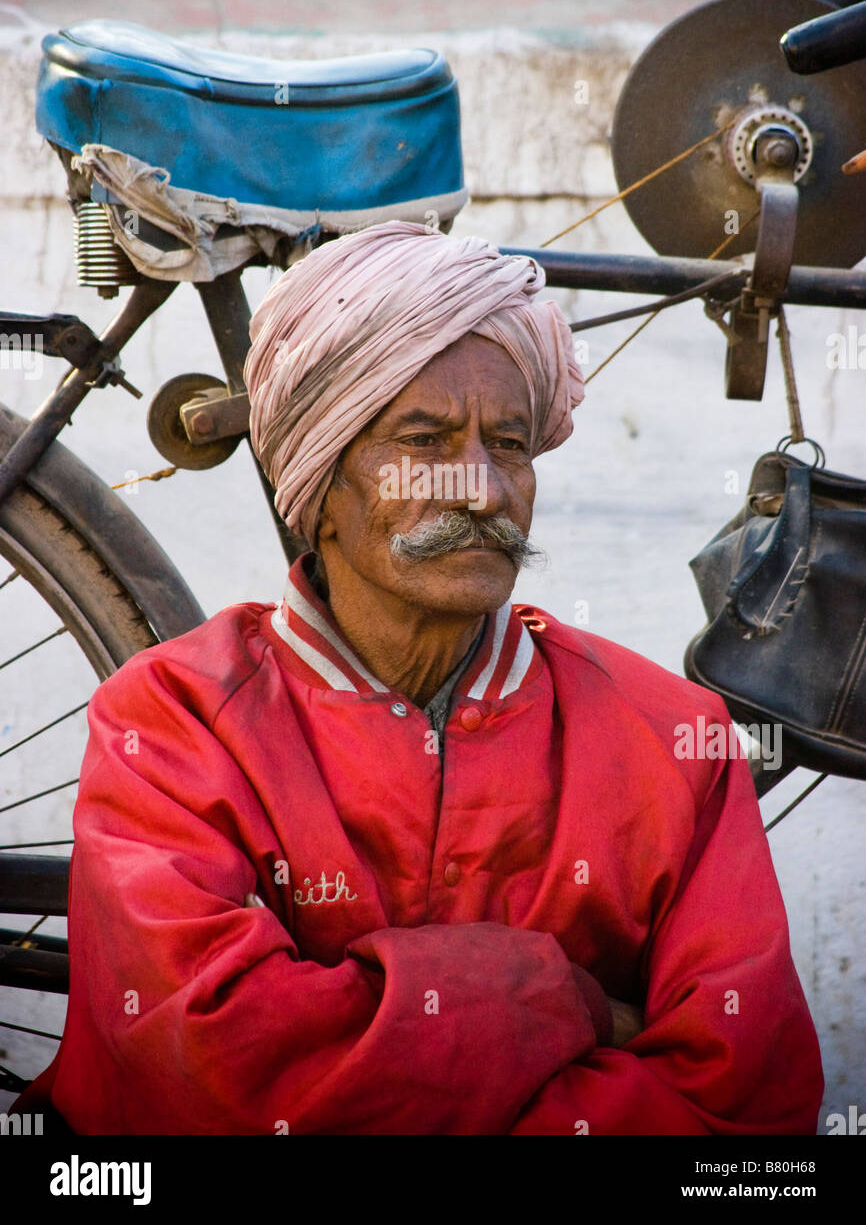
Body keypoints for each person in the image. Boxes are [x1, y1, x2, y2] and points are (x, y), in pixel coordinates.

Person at [16, 220, 822, 1134]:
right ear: (319, 485)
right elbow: (211, 1073)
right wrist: (559, 1002)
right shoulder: (174, 722)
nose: (480, 489)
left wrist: (361, 1039)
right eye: (427, 441)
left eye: (510, 445)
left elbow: (748, 1112)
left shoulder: (671, 737)